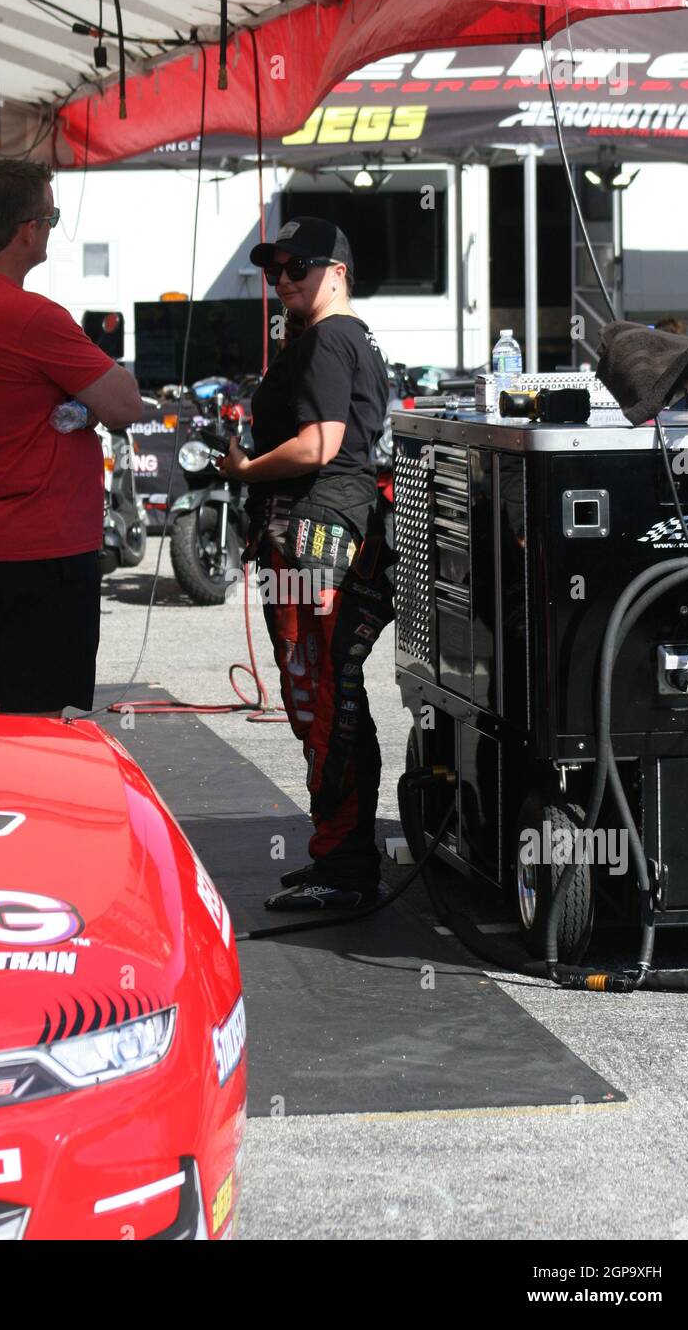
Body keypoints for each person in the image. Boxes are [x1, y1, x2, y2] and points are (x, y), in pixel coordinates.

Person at [220, 216, 393, 910]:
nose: (285, 279)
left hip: (318, 536)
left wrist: (245, 468)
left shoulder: (328, 338)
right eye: (274, 270)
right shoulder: (350, 338)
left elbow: (320, 444)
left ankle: (344, 866)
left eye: (299, 267)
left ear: (338, 270)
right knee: (327, 695)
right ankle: (341, 854)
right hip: (333, 531)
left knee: (324, 698)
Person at [0, 159, 143, 716]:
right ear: (28, 228)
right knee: (48, 718)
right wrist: (85, 404)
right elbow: (125, 404)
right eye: (51, 218)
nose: (51, 229)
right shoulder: (31, 316)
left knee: (12, 699)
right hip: (45, 543)